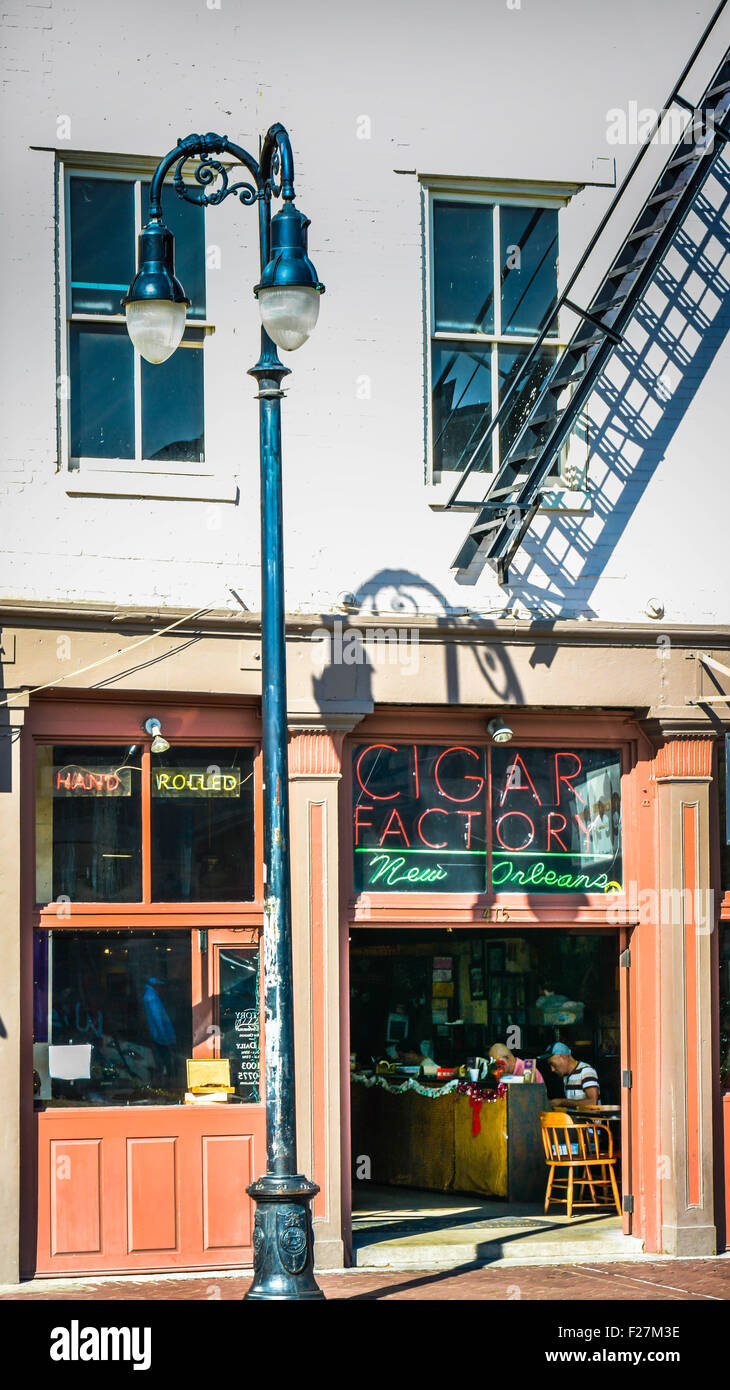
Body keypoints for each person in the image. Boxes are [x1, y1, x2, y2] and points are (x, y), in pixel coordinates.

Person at [544, 1041, 600, 1106]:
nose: (552, 1069)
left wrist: (562, 1102)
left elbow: (593, 1102)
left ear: (563, 1057)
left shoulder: (586, 1071)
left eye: (553, 1064)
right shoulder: (566, 1076)